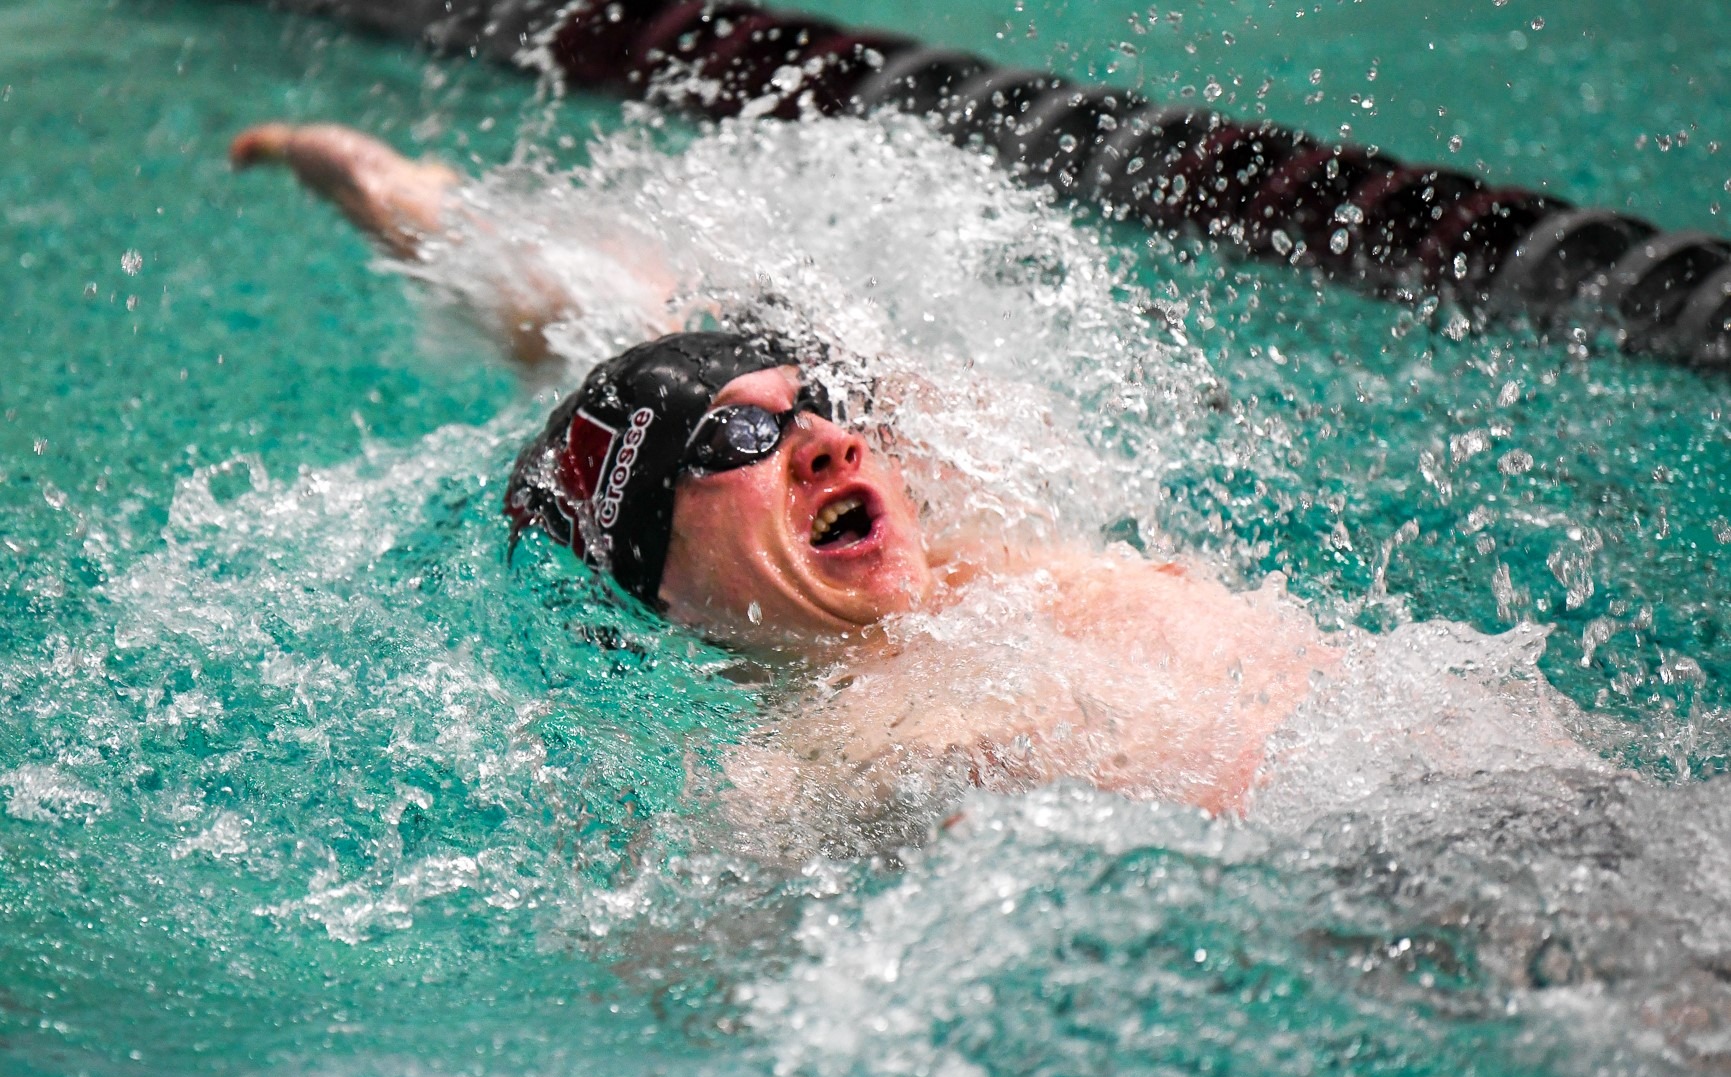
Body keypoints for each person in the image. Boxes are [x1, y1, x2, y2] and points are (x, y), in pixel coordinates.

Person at [230, 122, 1342, 850]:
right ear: (658, 580)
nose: (831, 445)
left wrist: (386, 192)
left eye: (815, 404)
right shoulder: (794, 793)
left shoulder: (977, 504)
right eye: (742, 439)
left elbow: (589, 312)